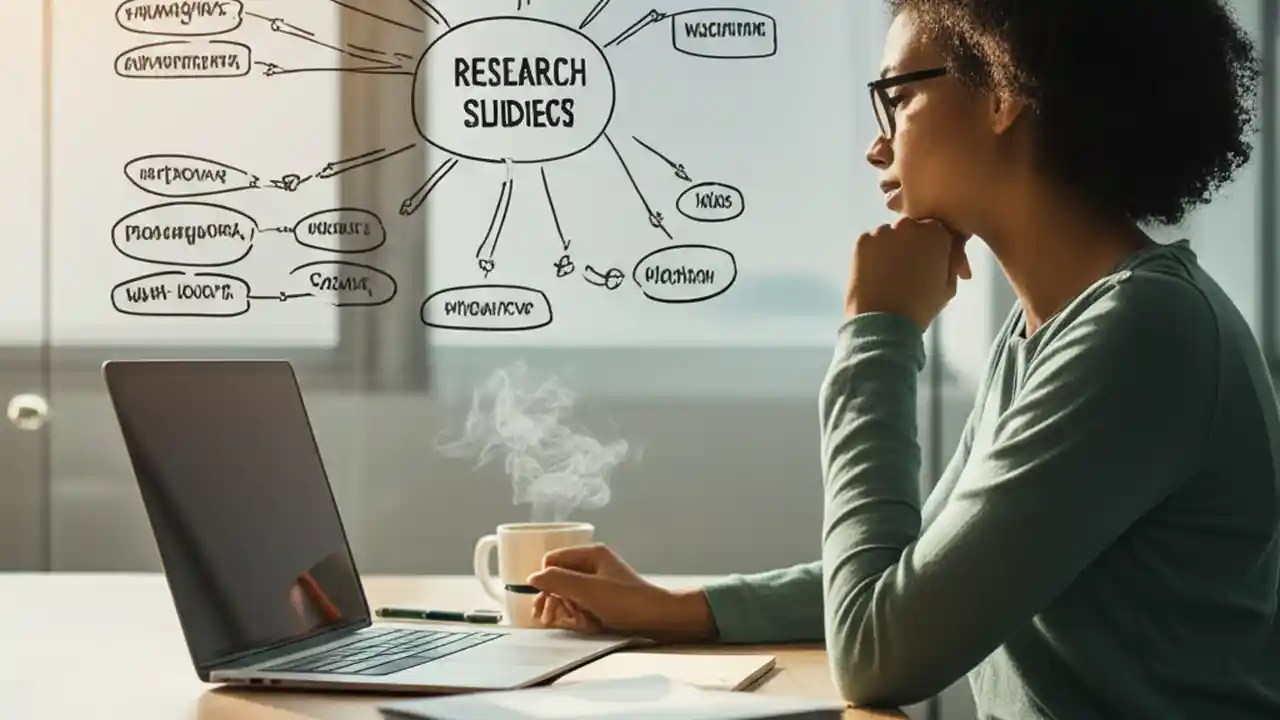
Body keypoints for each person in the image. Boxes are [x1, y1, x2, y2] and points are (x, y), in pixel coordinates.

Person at [524, 0, 1280, 716]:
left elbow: (877, 653)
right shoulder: (1051, 328)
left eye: (898, 96)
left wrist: (878, 331)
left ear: (1003, 92)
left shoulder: (1143, 333)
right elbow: (929, 565)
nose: (876, 142)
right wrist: (677, 610)